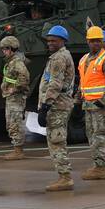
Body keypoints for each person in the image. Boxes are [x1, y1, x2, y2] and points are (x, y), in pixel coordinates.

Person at [37, 24, 77, 191]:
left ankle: (65, 177)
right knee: (55, 140)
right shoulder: (59, 56)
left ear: (63, 41)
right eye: (49, 40)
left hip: (57, 106)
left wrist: (46, 105)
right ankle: (63, 175)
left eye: (54, 40)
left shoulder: (59, 58)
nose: (50, 43)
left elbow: (55, 83)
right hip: (58, 105)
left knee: (56, 141)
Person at [78, 25, 105, 180]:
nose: (95, 44)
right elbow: (85, 81)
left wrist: (103, 101)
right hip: (89, 105)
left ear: (102, 41)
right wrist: (79, 96)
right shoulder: (84, 59)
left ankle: (101, 168)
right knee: (94, 135)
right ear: (87, 41)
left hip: (104, 106)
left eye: (98, 41)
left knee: (100, 136)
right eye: (92, 41)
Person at [0, 35, 29, 160]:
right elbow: (10, 78)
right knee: (11, 123)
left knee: (15, 123)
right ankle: (16, 149)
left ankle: (18, 151)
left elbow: (25, 78)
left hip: (16, 98)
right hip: (11, 97)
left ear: (11, 49)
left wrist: (14, 89)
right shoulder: (11, 63)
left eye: (5, 49)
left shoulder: (17, 62)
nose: (3, 52)